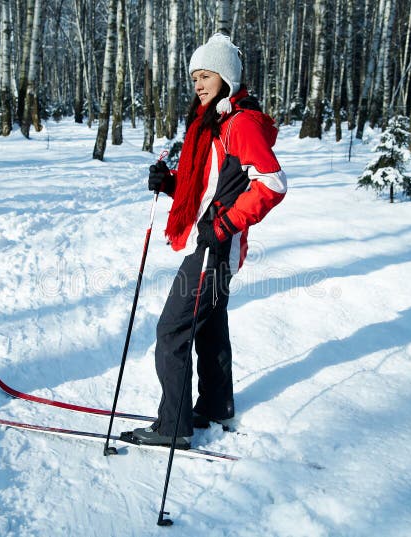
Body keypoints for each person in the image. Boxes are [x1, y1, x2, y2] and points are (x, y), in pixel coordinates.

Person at [131, 34, 287, 448]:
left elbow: (272, 183)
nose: (198, 84)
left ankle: (173, 427)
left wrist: (225, 225)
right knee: (209, 327)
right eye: (194, 77)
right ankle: (216, 405)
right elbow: (210, 188)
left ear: (227, 76)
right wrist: (171, 184)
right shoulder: (217, 123)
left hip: (214, 247)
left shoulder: (241, 124)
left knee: (172, 331)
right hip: (213, 244)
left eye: (205, 75)